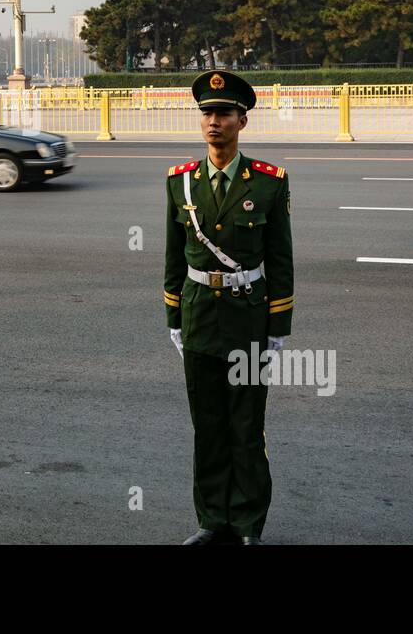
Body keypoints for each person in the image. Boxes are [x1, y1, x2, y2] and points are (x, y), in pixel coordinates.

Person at [164, 70, 294, 546]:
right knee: (208, 426)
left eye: (223, 113)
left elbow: (281, 259)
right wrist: (174, 319)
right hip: (199, 318)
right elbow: (173, 257)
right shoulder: (180, 183)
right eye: (207, 114)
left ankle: (247, 524)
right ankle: (211, 519)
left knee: (246, 426)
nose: (213, 122)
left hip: (247, 322)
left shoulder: (267, 184)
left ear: (243, 120)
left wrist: (278, 326)